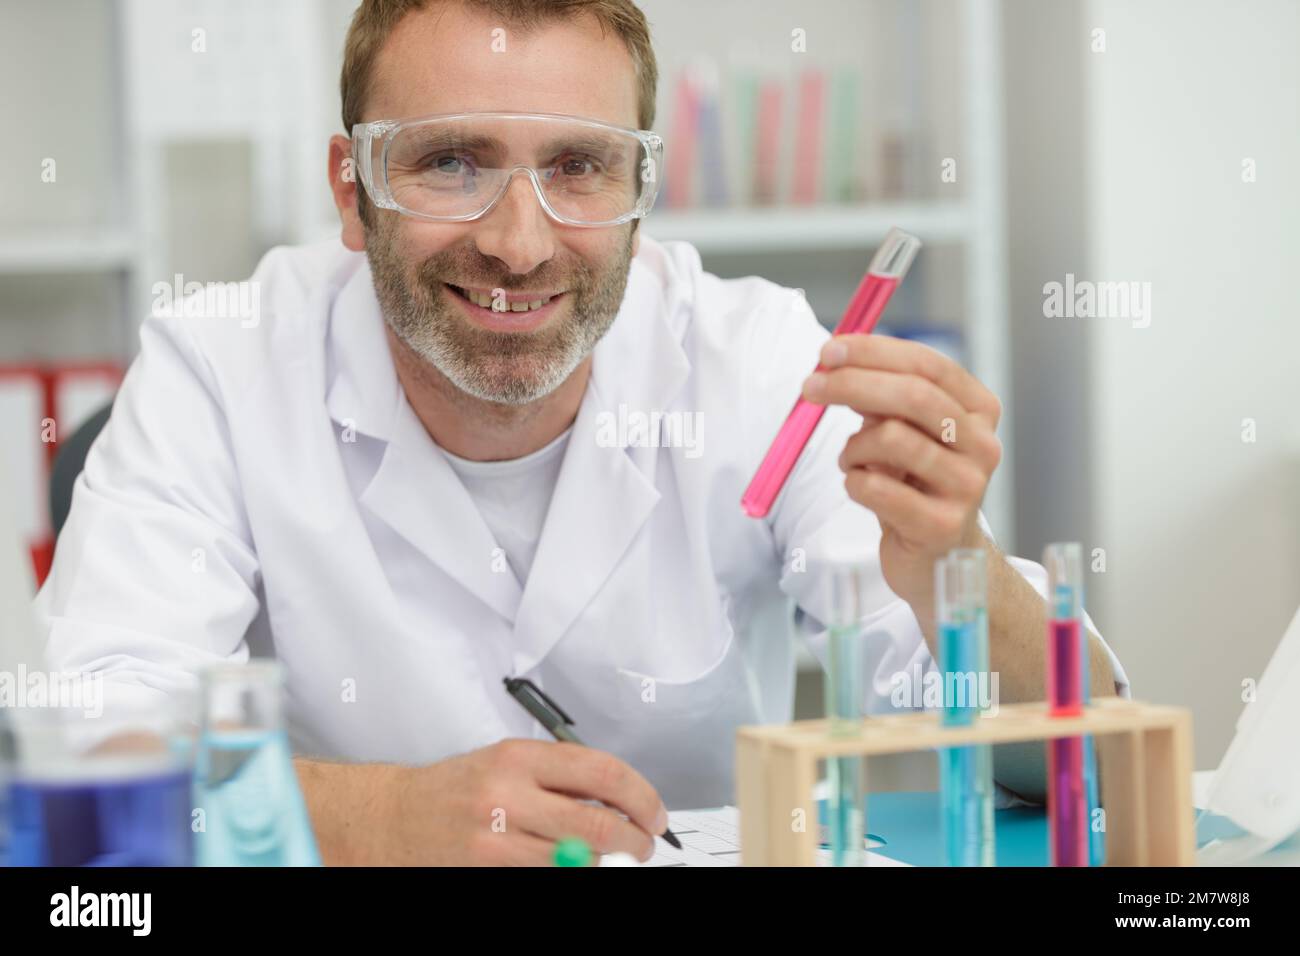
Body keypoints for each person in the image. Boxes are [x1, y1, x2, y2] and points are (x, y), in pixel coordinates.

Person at [37, 0, 1128, 865]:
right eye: (451, 161)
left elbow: (1067, 762)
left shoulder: (754, 361)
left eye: (576, 167)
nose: (519, 243)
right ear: (353, 186)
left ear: (640, 189)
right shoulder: (219, 366)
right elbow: (87, 747)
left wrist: (960, 571)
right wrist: (375, 821)